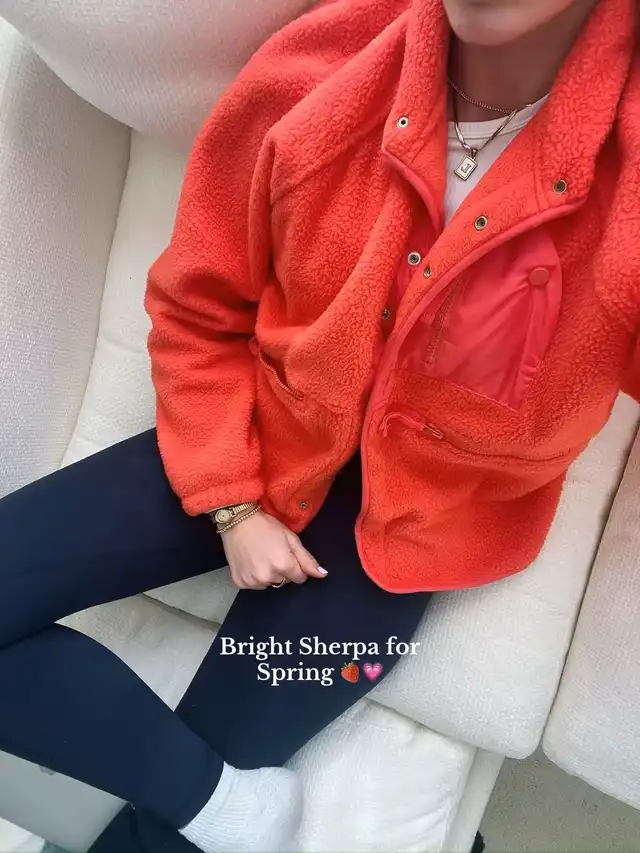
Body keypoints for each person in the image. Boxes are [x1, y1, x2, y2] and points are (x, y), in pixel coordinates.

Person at [2, 0, 639, 850]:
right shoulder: (315, 76)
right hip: (254, 431)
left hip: (407, 536)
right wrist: (233, 503)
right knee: (200, 812)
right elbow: (196, 303)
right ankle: (228, 806)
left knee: (159, 840)